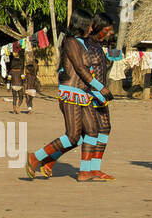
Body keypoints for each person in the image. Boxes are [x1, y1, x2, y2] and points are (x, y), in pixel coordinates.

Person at [27, 10, 103, 182]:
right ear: (82, 25)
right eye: (89, 25)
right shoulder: (71, 42)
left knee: (92, 131)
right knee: (72, 136)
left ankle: (84, 171)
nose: (92, 28)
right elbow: (80, 68)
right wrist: (100, 88)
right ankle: (36, 157)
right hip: (71, 93)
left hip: (84, 94)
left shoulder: (83, 43)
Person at [86, 13, 122, 180]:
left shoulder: (97, 46)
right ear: (98, 28)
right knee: (80, 135)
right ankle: (45, 158)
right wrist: (98, 89)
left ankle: (95, 168)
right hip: (88, 94)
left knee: (104, 129)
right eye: (107, 30)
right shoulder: (85, 45)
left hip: (100, 96)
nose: (109, 34)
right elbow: (83, 72)